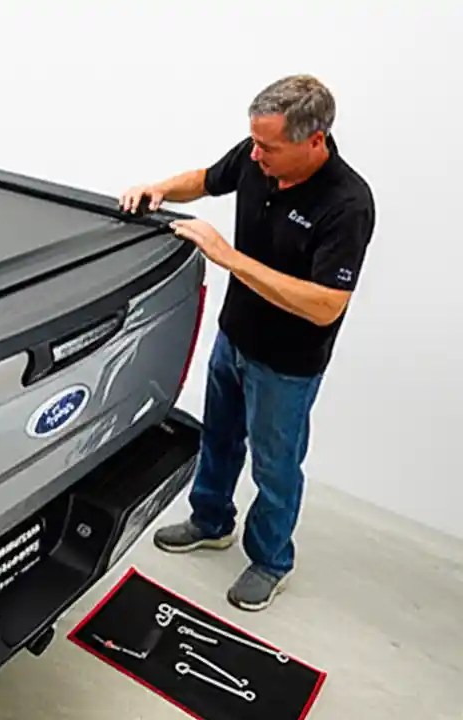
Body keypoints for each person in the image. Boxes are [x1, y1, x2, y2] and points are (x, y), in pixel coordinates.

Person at [119, 74, 375, 611]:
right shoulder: (257, 158)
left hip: (288, 364)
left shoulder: (347, 203)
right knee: (220, 437)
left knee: (274, 465)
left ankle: (271, 559)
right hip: (234, 337)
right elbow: (208, 178)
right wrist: (161, 188)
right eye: (254, 142)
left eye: (270, 147)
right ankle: (211, 521)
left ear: (315, 140)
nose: (256, 155)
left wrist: (228, 256)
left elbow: (327, 303)